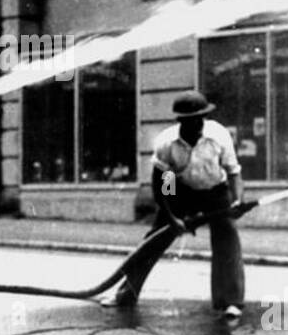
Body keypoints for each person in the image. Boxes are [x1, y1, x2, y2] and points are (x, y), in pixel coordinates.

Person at [101, 90, 246, 319]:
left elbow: (233, 172)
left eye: (201, 119)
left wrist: (237, 200)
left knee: (227, 236)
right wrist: (171, 218)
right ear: (181, 121)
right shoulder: (167, 143)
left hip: (216, 192)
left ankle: (230, 302)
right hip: (180, 191)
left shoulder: (218, 135)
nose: (197, 125)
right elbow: (163, 187)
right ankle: (126, 293)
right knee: (154, 240)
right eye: (191, 121)